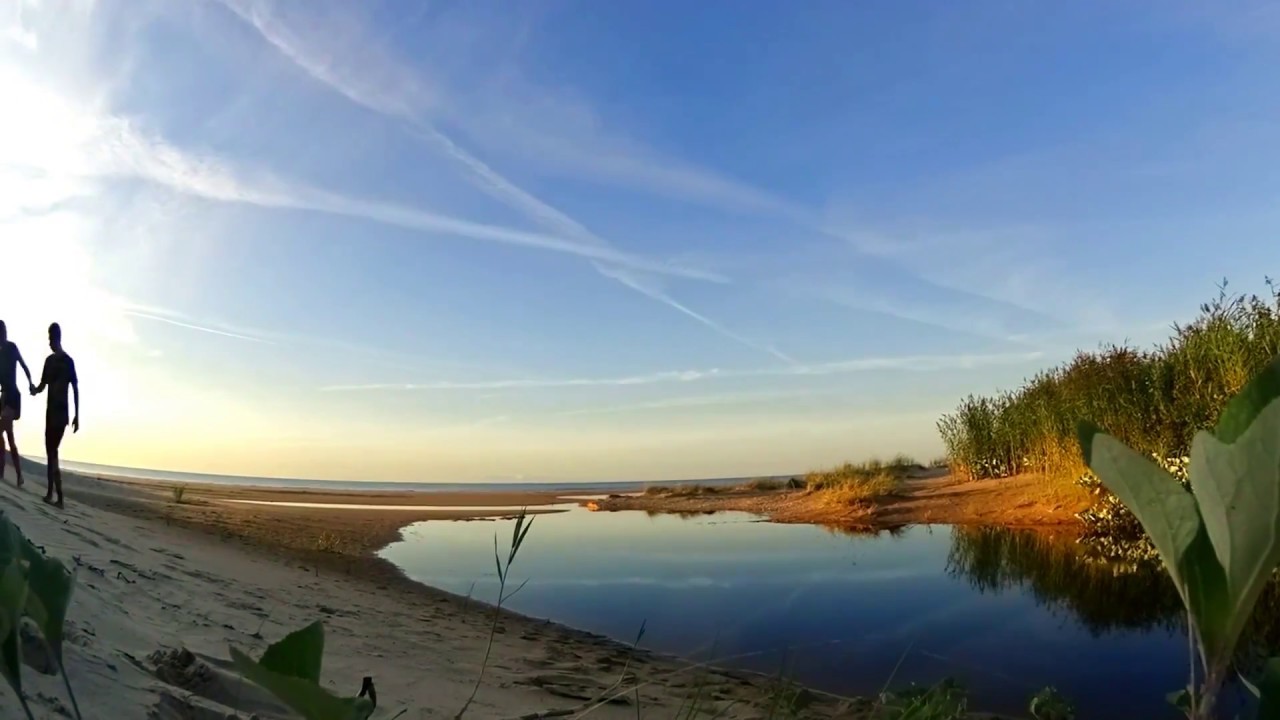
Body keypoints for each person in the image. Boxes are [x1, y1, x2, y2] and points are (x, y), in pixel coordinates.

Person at [31, 323, 79, 507]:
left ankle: (58, 496)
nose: (49, 342)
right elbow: (42, 385)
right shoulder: (49, 361)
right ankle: (52, 493)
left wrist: (77, 415)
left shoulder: (67, 361)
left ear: (56, 338)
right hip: (50, 412)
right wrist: (35, 390)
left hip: (61, 414)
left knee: (52, 452)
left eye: (51, 338)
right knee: (50, 451)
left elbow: (75, 388)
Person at [0, 320, 36, 488]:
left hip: (13, 397)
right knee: (9, 438)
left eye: (3, 332)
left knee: (2, 432)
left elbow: (24, 366)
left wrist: (30, 383)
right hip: (4, 398)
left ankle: (2, 471)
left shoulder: (12, 348)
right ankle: (19, 475)